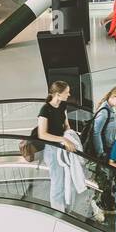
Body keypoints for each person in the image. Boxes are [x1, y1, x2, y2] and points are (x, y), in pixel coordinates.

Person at [88, 86, 116, 222]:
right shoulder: (104, 111)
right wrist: (101, 153)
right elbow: (96, 132)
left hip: (110, 150)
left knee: (110, 179)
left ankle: (106, 204)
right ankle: (96, 205)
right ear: (114, 96)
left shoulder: (111, 109)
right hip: (104, 152)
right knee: (105, 179)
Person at [35, 81, 73, 212]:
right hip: (52, 150)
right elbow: (42, 134)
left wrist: (70, 136)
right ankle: (58, 211)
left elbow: (66, 125)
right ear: (58, 94)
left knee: (65, 179)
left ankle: (64, 206)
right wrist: (63, 139)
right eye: (67, 92)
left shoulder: (62, 105)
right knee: (57, 182)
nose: (69, 94)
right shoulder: (45, 110)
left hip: (62, 148)